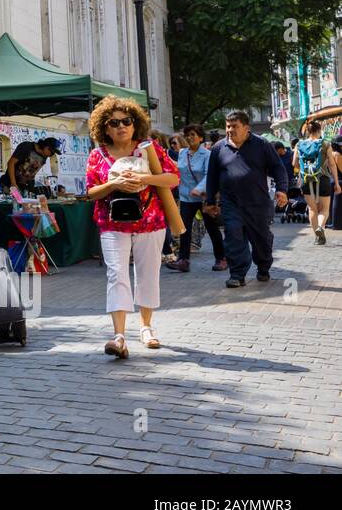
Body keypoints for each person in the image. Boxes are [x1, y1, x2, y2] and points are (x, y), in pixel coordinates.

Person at [85, 96, 179, 359]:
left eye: (126, 121)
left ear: (134, 123)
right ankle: (119, 335)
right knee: (117, 274)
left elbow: (172, 178)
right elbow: (91, 192)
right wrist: (114, 184)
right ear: (105, 128)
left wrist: (143, 178)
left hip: (150, 222)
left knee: (148, 273)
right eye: (113, 123)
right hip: (111, 223)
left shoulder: (150, 149)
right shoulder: (97, 155)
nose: (121, 126)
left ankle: (146, 327)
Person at [204, 111, 289, 288]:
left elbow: (278, 169)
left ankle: (263, 266)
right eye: (228, 126)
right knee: (233, 237)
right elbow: (212, 176)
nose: (230, 130)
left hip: (258, 203)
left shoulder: (262, 144)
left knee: (261, 240)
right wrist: (210, 200)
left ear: (246, 128)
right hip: (231, 203)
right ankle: (237, 274)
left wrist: (282, 190)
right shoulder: (219, 148)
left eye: (234, 126)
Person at [167, 124, 227, 273]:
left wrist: (199, 189)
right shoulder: (182, 153)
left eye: (193, 135)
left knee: (212, 228)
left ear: (200, 138)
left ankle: (221, 258)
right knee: (184, 228)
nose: (190, 137)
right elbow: (177, 169)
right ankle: (183, 260)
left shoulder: (207, 155)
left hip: (204, 197)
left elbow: (210, 175)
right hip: (186, 197)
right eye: (187, 135)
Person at [293, 120, 338, 245]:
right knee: (324, 209)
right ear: (319, 131)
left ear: (307, 131)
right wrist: (337, 184)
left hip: (306, 179)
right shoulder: (325, 144)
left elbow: (294, 164)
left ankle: (318, 237)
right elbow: (332, 164)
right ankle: (320, 227)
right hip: (322, 179)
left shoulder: (299, 144)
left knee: (312, 209)